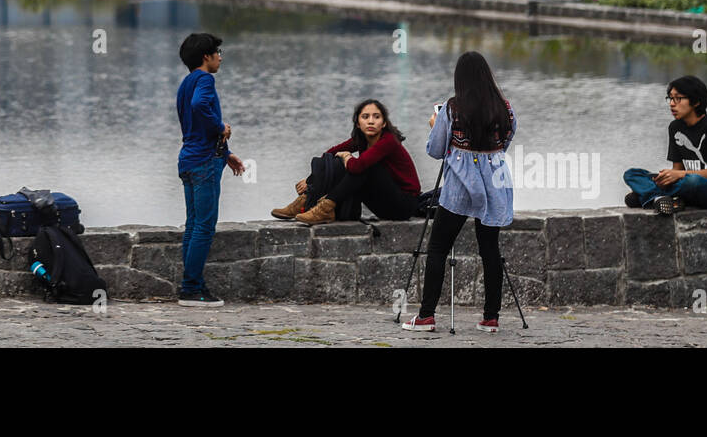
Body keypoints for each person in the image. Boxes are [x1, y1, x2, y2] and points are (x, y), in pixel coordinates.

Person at [402, 51, 516, 334]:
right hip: (495, 185)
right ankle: (491, 318)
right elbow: (505, 143)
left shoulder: (452, 109)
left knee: (438, 247)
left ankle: (426, 316)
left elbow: (435, 150)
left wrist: (434, 125)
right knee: (490, 250)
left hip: (460, 188)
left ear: (460, 78)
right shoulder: (504, 108)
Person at [174, 33, 244, 306]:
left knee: (193, 225)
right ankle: (191, 289)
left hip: (189, 160)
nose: (220, 57)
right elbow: (200, 106)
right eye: (217, 52)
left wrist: (226, 154)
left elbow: (194, 125)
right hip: (203, 163)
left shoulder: (185, 83)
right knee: (204, 227)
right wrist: (222, 128)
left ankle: (193, 284)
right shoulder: (205, 79)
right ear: (207, 56)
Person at [275, 99, 422, 225]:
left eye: (376, 117)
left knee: (364, 167)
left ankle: (324, 208)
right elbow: (328, 155)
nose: (371, 121)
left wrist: (347, 157)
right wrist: (311, 180)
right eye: (365, 117)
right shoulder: (361, 140)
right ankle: (306, 202)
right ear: (358, 123)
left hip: (403, 205)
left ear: (383, 123)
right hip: (382, 203)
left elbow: (357, 167)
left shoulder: (388, 141)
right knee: (338, 163)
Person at [623, 76, 707, 214]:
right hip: (685, 185)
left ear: (696, 101)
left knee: (693, 181)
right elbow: (677, 169)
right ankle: (664, 198)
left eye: (678, 98)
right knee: (631, 174)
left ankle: (650, 196)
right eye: (670, 98)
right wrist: (668, 176)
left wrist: (679, 174)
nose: (672, 104)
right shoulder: (675, 127)